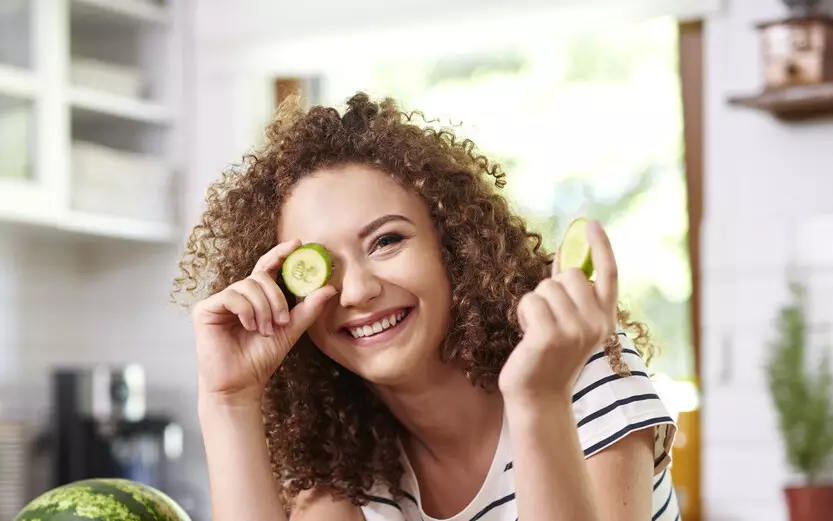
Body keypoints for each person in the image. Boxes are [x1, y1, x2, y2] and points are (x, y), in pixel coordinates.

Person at [172, 92, 680, 521]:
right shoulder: (345, 461)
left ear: (452, 247)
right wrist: (229, 401)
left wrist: (538, 400)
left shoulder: (576, 369)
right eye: (320, 267)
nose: (357, 292)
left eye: (387, 241)